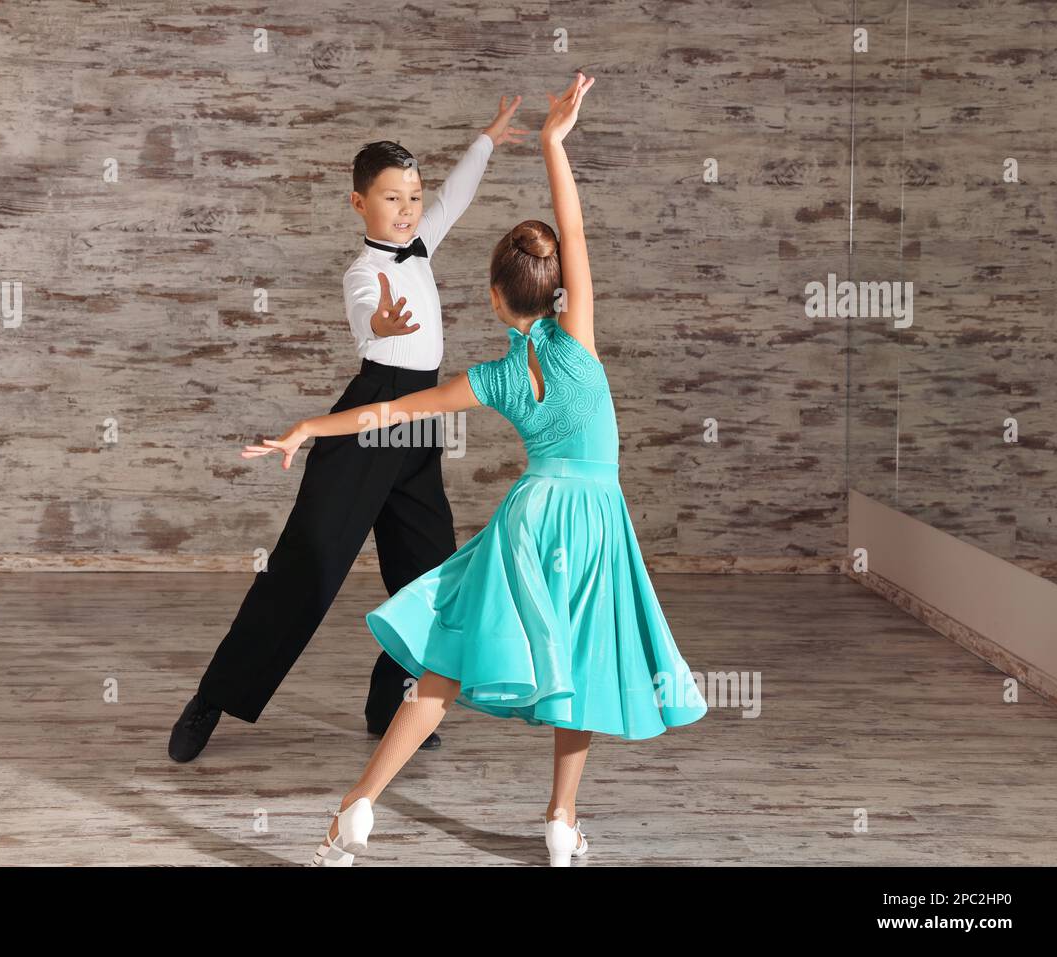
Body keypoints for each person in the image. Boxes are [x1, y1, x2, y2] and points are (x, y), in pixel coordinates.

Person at [243, 72, 709, 867]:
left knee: (444, 660)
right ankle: (561, 821)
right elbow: (575, 226)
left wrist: (308, 428)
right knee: (582, 662)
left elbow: (389, 413)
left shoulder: (492, 378)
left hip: (530, 519)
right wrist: (556, 143)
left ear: (496, 301)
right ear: (556, 291)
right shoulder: (579, 339)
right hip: (596, 519)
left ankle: (354, 810)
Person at [168, 97, 529, 763]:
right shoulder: (363, 273)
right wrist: (383, 328)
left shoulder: (423, 241)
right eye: (392, 198)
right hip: (370, 417)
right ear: (359, 203)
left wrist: (485, 140)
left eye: (413, 196)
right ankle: (213, 696)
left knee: (430, 575)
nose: (407, 208)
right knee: (308, 564)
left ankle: (389, 694)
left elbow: (457, 194)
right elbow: (369, 319)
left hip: (420, 419)